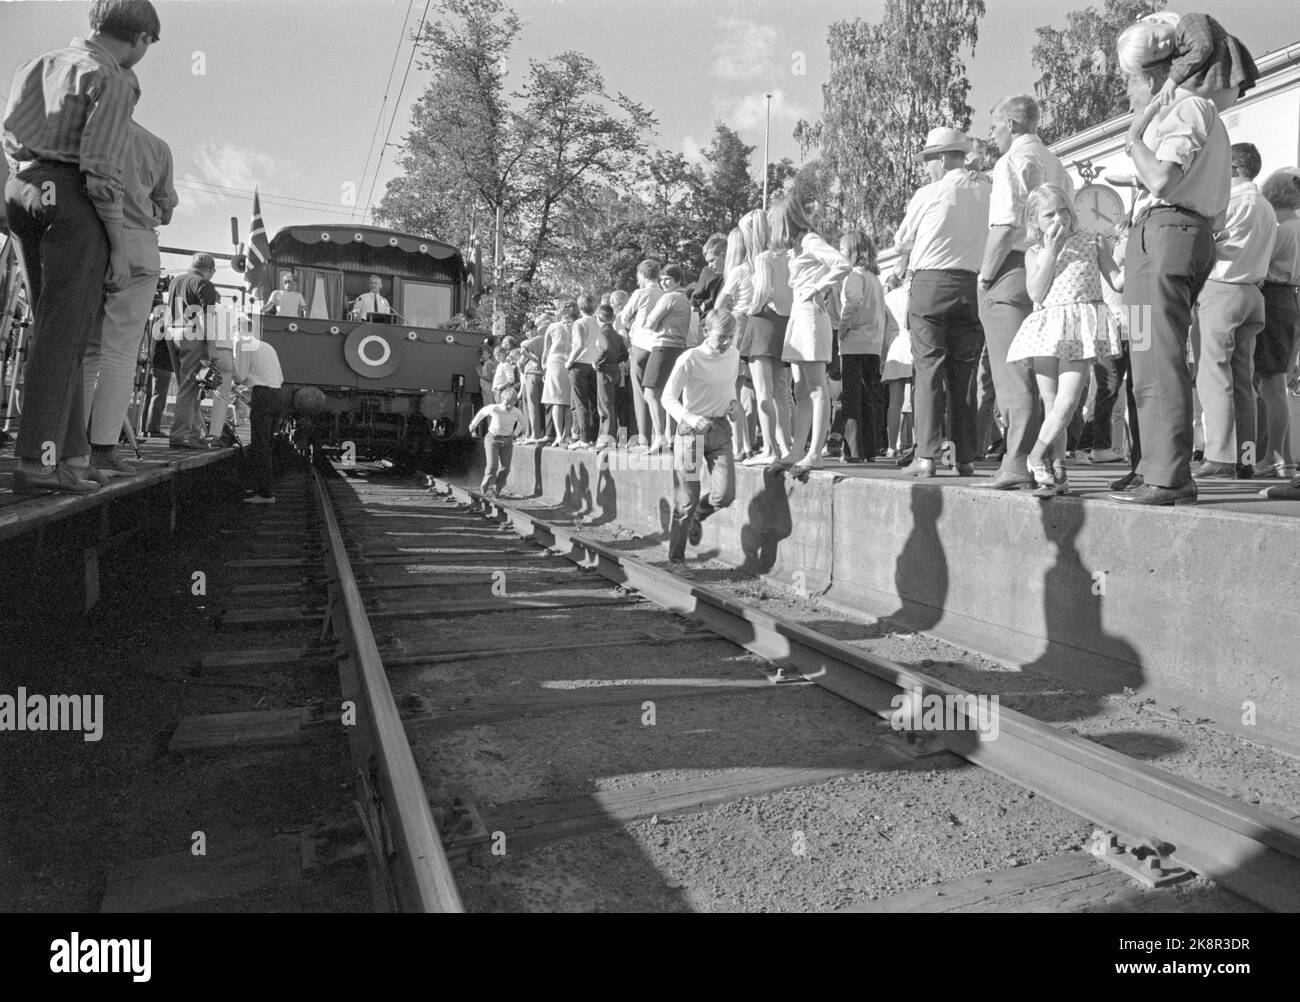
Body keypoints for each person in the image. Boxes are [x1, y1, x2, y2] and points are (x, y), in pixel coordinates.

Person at [4, 0, 161, 494]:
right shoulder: (113, 77)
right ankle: (36, 462)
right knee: (64, 336)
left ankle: (70, 457)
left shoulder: (37, 64)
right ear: (139, 38)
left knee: (60, 332)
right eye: (148, 45)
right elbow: (99, 168)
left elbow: (9, 136)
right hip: (73, 196)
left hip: (23, 189)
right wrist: (116, 243)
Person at [1108, 42, 1231, 506]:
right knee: (1144, 355)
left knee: (1157, 355)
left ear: (1154, 80)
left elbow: (1162, 178)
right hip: (1155, 239)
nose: (1126, 93)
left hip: (1169, 234)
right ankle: (1153, 465)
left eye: (1130, 82)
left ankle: (1169, 476)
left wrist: (1133, 141)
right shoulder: (1183, 112)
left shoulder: (1189, 107)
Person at [978, 95, 1075, 490]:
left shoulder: (1010, 163)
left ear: (1013, 124)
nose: (992, 135)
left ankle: (1016, 462)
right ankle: (1048, 462)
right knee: (1044, 373)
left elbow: (1003, 226)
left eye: (995, 126)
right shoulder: (1057, 164)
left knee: (1011, 369)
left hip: (1014, 268)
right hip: (1051, 266)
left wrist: (985, 275)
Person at [1006, 185, 1124, 497]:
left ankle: (1036, 456)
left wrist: (1131, 250)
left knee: (1069, 402)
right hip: (1048, 324)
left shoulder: (1092, 240)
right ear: (1036, 220)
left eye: (1063, 210)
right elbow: (1035, 293)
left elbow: (1118, 281)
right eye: (1049, 214)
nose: (1059, 217)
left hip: (1080, 325)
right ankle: (1058, 471)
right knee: (1051, 402)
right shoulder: (1034, 252)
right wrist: (1052, 251)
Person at [82, 97, 176, 478]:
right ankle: (102, 450)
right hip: (138, 244)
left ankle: (69, 447)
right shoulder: (156, 146)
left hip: (91, 240)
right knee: (119, 354)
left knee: (86, 351)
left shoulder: (83, 135)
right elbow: (166, 212)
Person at [893, 126, 991, 478]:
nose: (927, 168)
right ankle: (965, 456)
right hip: (971, 285)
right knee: (964, 376)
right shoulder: (987, 189)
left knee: (929, 371)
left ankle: (927, 456)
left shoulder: (929, 193)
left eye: (929, 160)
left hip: (931, 284)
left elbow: (902, 239)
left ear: (943, 158)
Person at [1191, 142, 1275, 480]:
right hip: (1253, 292)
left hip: (1222, 290)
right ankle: (1246, 457)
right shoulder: (1266, 207)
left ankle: (1220, 455)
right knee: (1243, 380)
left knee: (1213, 375)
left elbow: (1207, 242)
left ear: (1233, 168)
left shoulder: (1229, 201)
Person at [769, 195, 851, 476]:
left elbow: (842, 264)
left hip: (810, 315)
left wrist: (819, 288)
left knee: (816, 388)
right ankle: (798, 450)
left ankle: (815, 452)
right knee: (801, 389)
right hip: (799, 314)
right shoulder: (797, 246)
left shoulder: (809, 240)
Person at [662, 309, 740, 579]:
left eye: (731, 337)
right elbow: (667, 397)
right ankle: (676, 560)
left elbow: (728, 385)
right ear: (706, 332)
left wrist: (732, 403)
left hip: (720, 430)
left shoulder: (733, 354)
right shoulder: (690, 358)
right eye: (722, 337)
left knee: (725, 494)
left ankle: (698, 515)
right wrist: (690, 418)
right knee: (686, 499)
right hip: (690, 434)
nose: (727, 342)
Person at [1254, 168, 1300, 486]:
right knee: (1274, 380)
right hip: (1289, 299)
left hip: (1272, 296)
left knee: (1270, 382)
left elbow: (1258, 265)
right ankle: (1286, 458)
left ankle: (1275, 456)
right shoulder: (1295, 226)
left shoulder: (1280, 228)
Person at [1116, 11, 1259, 111]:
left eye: (1155, 38)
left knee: (1160, 110)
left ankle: (1138, 133)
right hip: (1217, 90)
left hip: (1221, 77)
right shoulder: (1177, 56)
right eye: (1155, 53)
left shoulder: (1188, 22)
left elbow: (1202, 47)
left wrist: (1173, 81)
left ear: (1155, 21)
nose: (1161, 45)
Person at [744, 208, 794, 466]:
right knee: (777, 392)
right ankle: (782, 446)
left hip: (763, 323)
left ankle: (769, 449)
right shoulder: (788, 258)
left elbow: (763, 289)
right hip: (784, 324)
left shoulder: (763, 258)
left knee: (763, 392)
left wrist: (750, 309)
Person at [836, 230, 891, 464]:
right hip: (873, 343)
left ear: (851, 251)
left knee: (852, 397)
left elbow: (854, 302)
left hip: (854, 341)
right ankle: (870, 448)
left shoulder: (855, 276)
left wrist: (842, 327)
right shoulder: (875, 279)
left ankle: (853, 449)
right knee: (870, 397)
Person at [166, 252, 223, 449]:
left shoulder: (176, 281)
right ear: (211, 269)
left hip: (175, 333)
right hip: (193, 335)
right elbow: (206, 318)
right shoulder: (204, 284)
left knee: (192, 384)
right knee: (191, 386)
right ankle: (181, 434)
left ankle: (192, 432)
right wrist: (212, 347)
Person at [642, 263, 692, 453]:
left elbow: (649, 322)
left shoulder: (669, 297)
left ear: (677, 280)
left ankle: (660, 437)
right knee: (670, 394)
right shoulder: (684, 298)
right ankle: (671, 437)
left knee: (651, 392)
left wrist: (655, 323)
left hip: (663, 347)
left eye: (667, 279)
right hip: (678, 347)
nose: (663, 282)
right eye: (661, 279)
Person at [232, 333, 283, 504]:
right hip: (277, 394)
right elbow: (280, 377)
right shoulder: (267, 346)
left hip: (262, 395)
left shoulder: (242, 344)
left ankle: (265, 494)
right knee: (266, 444)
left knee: (259, 445)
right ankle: (263, 487)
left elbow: (240, 376)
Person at [719, 226, 756, 460]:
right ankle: (748, 444)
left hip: (739, 326)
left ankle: (739, 446)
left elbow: (720, 304)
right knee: (752, 390)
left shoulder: (739, 271)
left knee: (734, 390)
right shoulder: (757, 269)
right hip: (756, 325)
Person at [618, 259, 663, 448]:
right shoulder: (664, 293)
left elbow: (622, 317)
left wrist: (631, 327)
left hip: (641, 345)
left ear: (643, 274)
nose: (637, 281)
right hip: (659, 346)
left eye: (638, 276)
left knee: (640, 393)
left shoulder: (641, 293)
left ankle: (644, 439)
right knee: (657, 393)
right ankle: (659, 436)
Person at [470, 385, 525, 499]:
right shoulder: (494, 408)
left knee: (505, 468)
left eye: (512, 403)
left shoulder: (517, 412)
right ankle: (486, 479)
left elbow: (523, 423)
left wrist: (514, 435)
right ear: (501, 400)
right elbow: (481, 413)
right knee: (492, 466)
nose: (509, 406)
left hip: (507, 440)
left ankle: (497, 488)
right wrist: (473, 425)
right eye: (506, 403)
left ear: (515, 402)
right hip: (493, 439)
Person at [881, 280, 915, 460]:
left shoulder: (888, 297)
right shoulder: (916, 293)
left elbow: (885, 330)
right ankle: (918, 444)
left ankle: (892, 446)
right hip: (915, 344)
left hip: (895, 346)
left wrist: (884, 352)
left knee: (894, 402)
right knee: (917, 399)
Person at [566, 294, 600, 448]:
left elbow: (579, 344)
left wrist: (569, 361)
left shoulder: (579, 322)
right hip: (592, 364)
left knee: (580, 402)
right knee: (593, 402)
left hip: (579, 364)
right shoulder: (597, 322)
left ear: (579, 308)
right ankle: (593, 436)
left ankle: (584, 438)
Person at [592, 303, 627, 449]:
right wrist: (614, 361)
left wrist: (597, 362)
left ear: (599, 317)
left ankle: (607, 439)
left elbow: (605, 348)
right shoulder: (616, 334)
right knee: (611, 404)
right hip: (615, 370)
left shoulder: (602, 332)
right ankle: (608, 437)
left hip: (604, 371)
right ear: (612, 318)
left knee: (605, 406)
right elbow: (625, 354)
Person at [541, 303, 576, 446]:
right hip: (569, 362)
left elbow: (546, 350)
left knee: (557, 401)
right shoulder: (575, 326)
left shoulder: (553, 327)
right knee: (566, 402)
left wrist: (544, 366)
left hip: (555, 362)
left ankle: (559, 435)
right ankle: (565, 435)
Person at [518, 320, 546, 443]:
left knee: (532, 405)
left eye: (528, 331)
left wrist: (531, 358)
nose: (527, 334)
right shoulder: (546, 339)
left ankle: (535, 434)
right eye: (526, 332)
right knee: (543, 405)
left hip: (532, 374)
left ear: (535, 329)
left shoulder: (532, 341)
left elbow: (522, 354)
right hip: (544, 374)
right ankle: (543, 433)